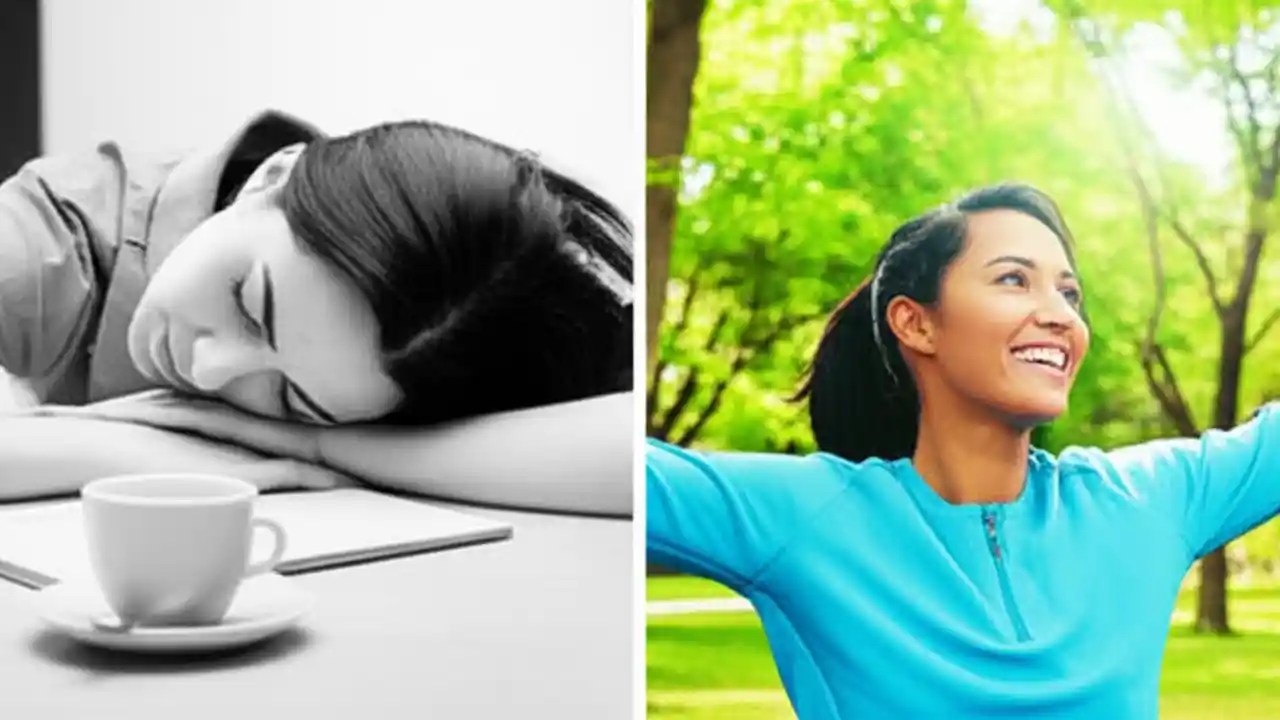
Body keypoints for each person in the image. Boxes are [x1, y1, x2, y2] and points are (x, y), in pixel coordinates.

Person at [647, 183, 1280, 718]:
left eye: (1069, 294)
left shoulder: (1142, 501)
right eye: (1014, 279)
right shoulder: (807, 517)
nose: (1060, 315)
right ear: (916, 323)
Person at [0, 111, 632, 514]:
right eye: (249, 304)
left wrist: (317, 445)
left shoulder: (413, 358)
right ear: (272, 176)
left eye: (290, 398)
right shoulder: (42, 242)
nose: (208, 369)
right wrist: (135, 452)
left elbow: (628, 456)